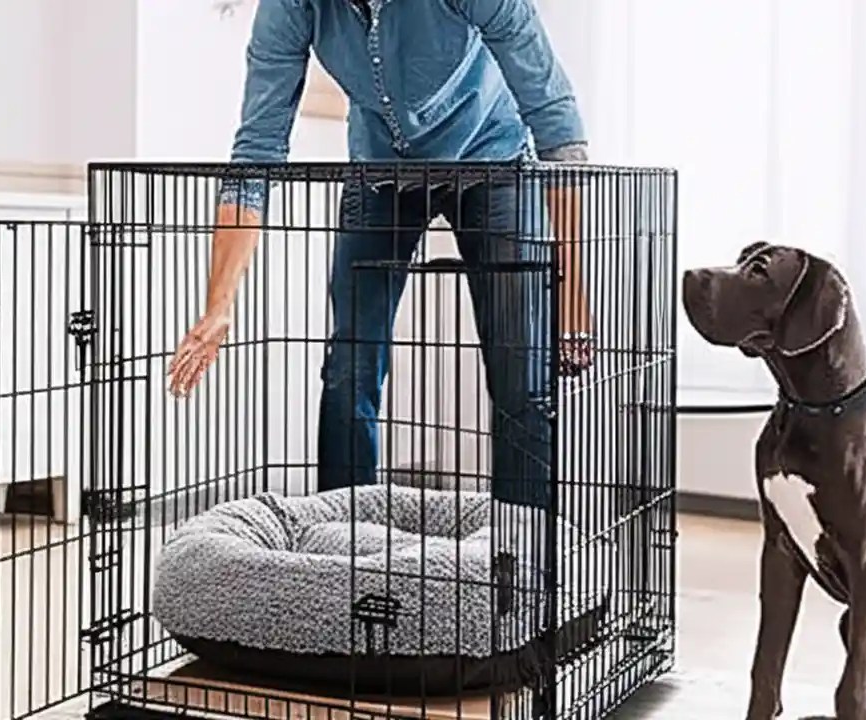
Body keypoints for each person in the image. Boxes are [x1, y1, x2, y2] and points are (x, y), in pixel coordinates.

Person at [167, 0, 592, 511]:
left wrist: (572, 292)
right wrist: (220, 305)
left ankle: (522, 559)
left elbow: (556, 124)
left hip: (492, 158)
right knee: (350, 365)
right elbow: (257, 150)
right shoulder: (290, 6)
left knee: (521, 370)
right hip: (380, 167)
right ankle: (343, 542)